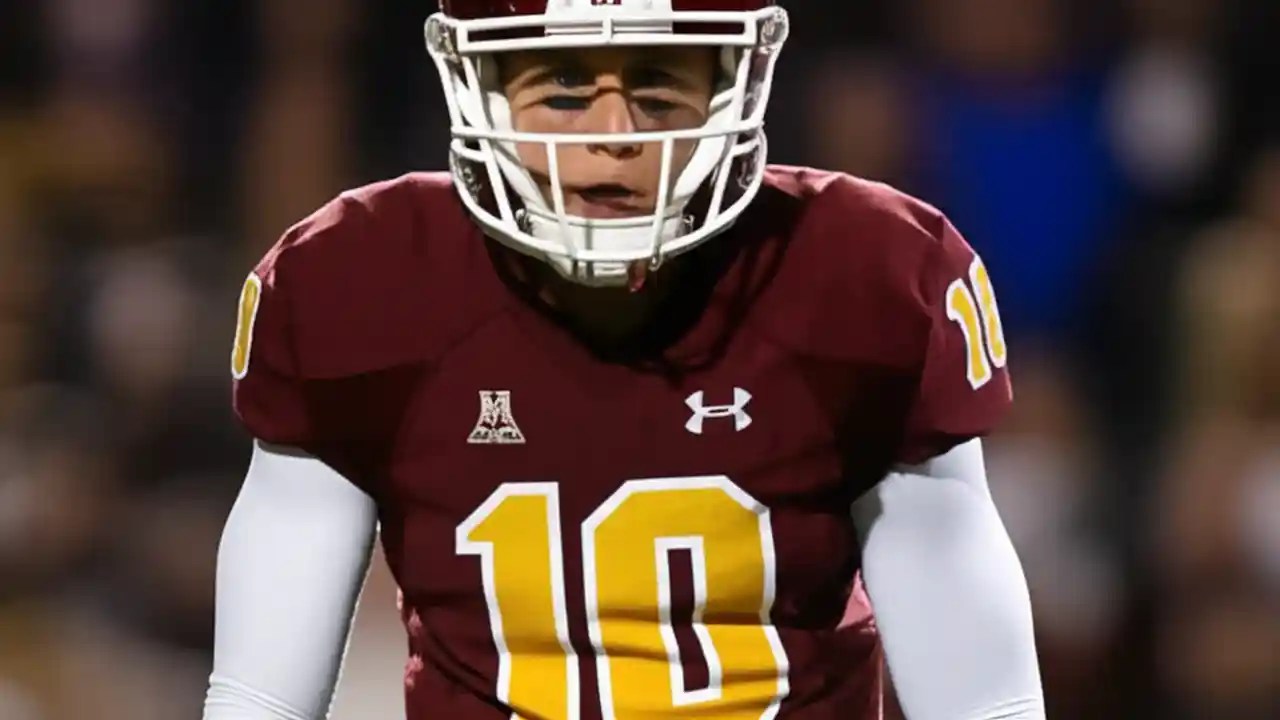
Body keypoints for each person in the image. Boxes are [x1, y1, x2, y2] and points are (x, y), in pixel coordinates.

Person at [203, 1, 1045, 718]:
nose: (614, 135)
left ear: (733, 85)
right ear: (479, 87)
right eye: (565, 89)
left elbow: (977, 692)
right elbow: (260, 698)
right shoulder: (358, 283)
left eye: (657, 87)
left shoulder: (866, 276)